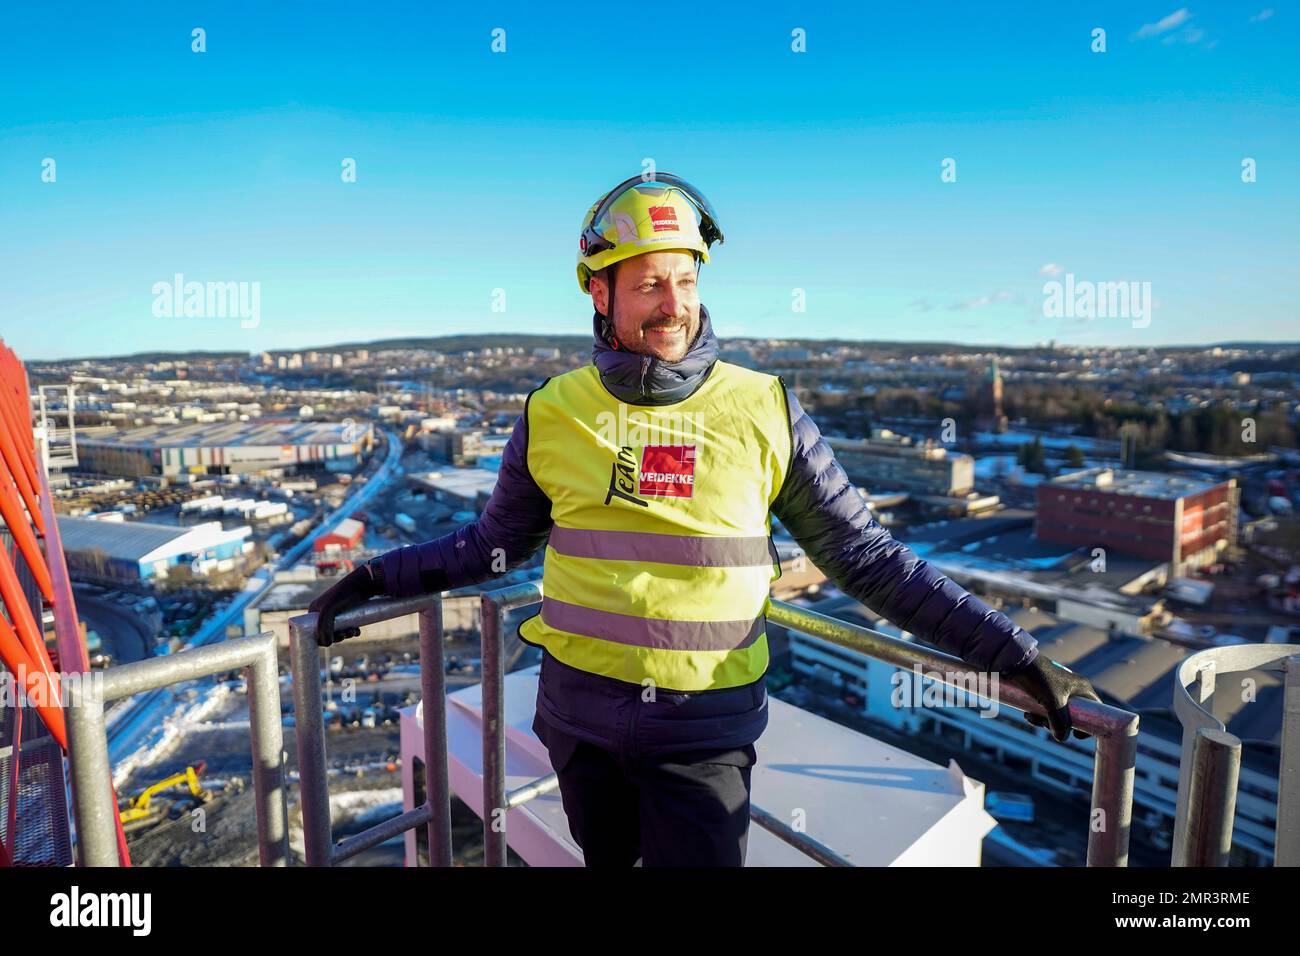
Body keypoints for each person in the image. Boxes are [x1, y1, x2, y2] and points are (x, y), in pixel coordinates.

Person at [308, 172, 1101, 867]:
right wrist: (376, 576)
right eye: (650, 283)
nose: (674, 305)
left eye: (686, 281)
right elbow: (492, 549)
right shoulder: (553, 411)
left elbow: (864, 556)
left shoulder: (763, 408)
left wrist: (1010, 653)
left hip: (703, 734)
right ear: (600, 292)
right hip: (577, 723)